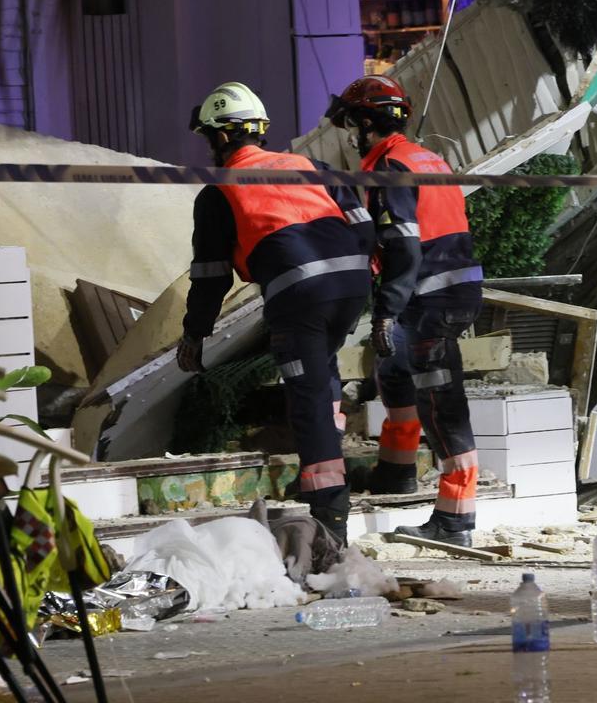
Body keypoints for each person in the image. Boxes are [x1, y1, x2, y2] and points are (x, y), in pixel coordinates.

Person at [178, 82, 372, 543]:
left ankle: (329, 516)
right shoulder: (311, 167)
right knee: (321, 374)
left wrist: (194, 334)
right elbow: (362, 228)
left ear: (221, 138)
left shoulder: (219, 191)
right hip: (352, 283)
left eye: (208, 139)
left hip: (299, 294)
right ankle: (323, 464)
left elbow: (210, 277)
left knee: (304, 398)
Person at [325, 75, 484, 547]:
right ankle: (395, 473)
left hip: (429, 298)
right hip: (444, 291)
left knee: (441, 405)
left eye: (353, 122)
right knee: (394, 371)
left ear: (369, 122)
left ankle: (455, 521)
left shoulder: (391, 167)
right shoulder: (424, 157)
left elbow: (403, 247)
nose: (351, 133)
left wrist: (387, 311)